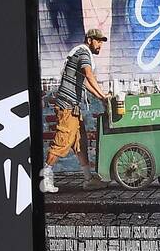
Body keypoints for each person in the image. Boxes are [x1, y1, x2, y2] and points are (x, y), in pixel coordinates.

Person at [42, 29, 110, 193]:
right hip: (67, 106)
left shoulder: (80, 53)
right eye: (98, 41)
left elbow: (84, 82)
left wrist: (100, 96)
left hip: (73, 107)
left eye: (101, 41)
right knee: (62, 142)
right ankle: (44, 178)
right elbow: (88, 74)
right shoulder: (83, 53)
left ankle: (88, 180)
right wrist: (103, 95)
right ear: (89, 40)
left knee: (81, 143)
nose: (100, 44)